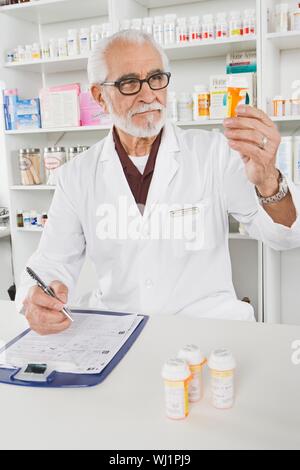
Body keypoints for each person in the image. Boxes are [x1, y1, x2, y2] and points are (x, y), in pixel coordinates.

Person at [16, 30, 300, 335]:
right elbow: (50, 262)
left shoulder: (214, 154)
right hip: (118, 330)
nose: (148, 94)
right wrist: (35, 299)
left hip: (206, 328)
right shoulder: (77, 175)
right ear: (100, 96)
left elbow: (285, 238)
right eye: (128, 83)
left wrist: (269, 179)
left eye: (156, 78)